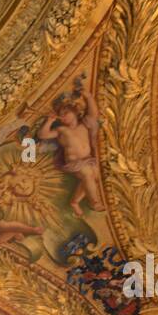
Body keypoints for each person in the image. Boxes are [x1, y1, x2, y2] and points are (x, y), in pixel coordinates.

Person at [38, 80, 104, 217]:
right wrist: (49, 121)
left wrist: (89, 97)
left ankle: (75, 201)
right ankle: (94, 202)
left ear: (75, 112)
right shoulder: (61, 130)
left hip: (88, 160)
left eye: (66, 113)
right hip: (74, 163)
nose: (63, 118)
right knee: (87, 174)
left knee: (94, 175)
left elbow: (93, 114)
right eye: (60, 116)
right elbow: (43, 135)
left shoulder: (84, 124)